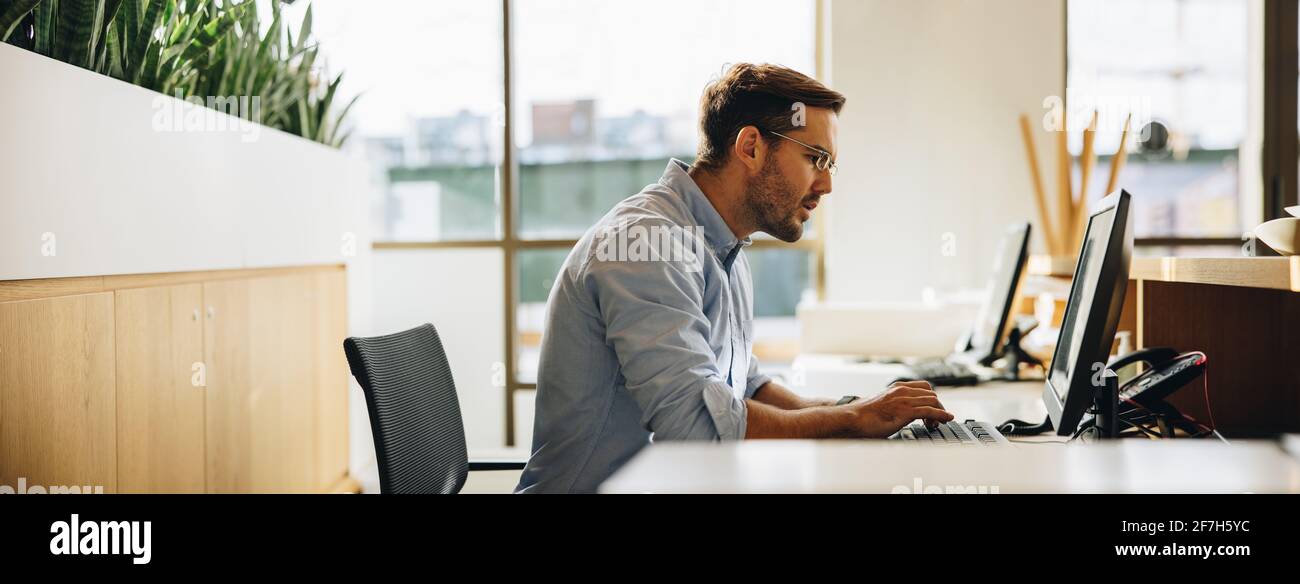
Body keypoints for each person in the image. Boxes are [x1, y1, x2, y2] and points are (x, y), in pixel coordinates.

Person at [515, 63, 953, 494]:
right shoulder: (647, 243)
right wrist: (853, 420)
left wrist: (858, 409)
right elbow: (697, 426)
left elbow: (744, 387)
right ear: (750, 147)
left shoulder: (722, 247)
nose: (826, 185)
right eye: (815, 158)